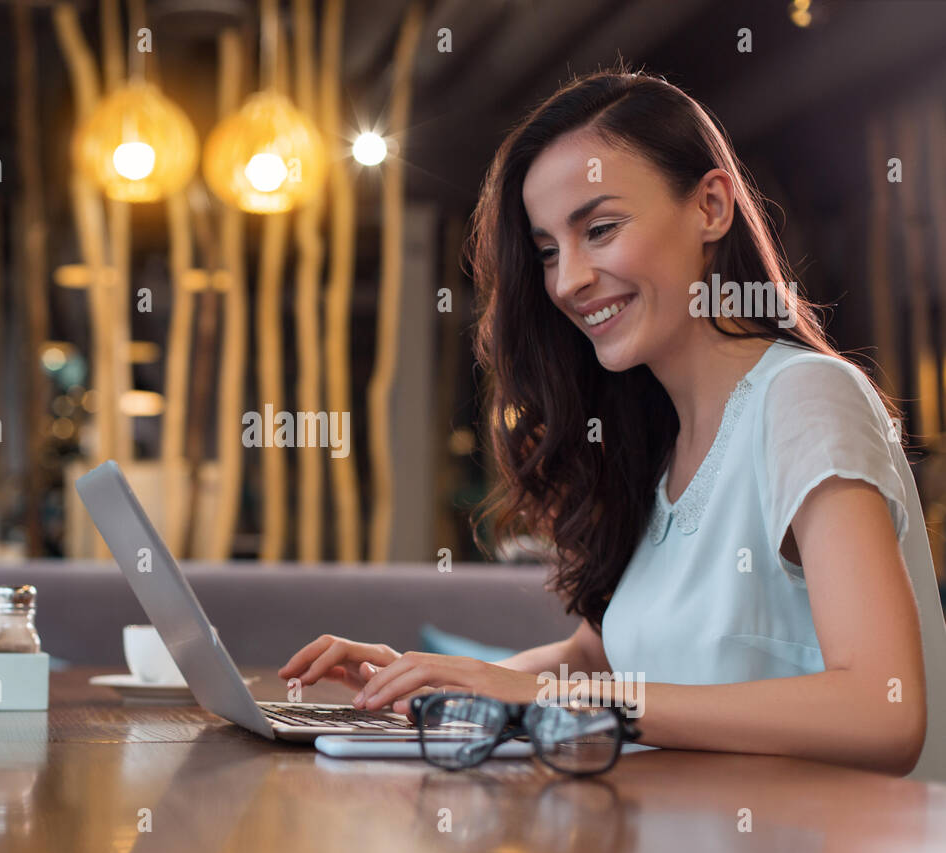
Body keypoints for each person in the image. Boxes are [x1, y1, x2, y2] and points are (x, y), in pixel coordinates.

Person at [280, 69, 945, 777]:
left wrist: (554, 697)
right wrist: (437, 682)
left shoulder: (806, 399)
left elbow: (883, 710)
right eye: (546, 251)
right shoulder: (655, 441)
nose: (568, 280)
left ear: (711, 207)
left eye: (599, 229)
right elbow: (594, 656)